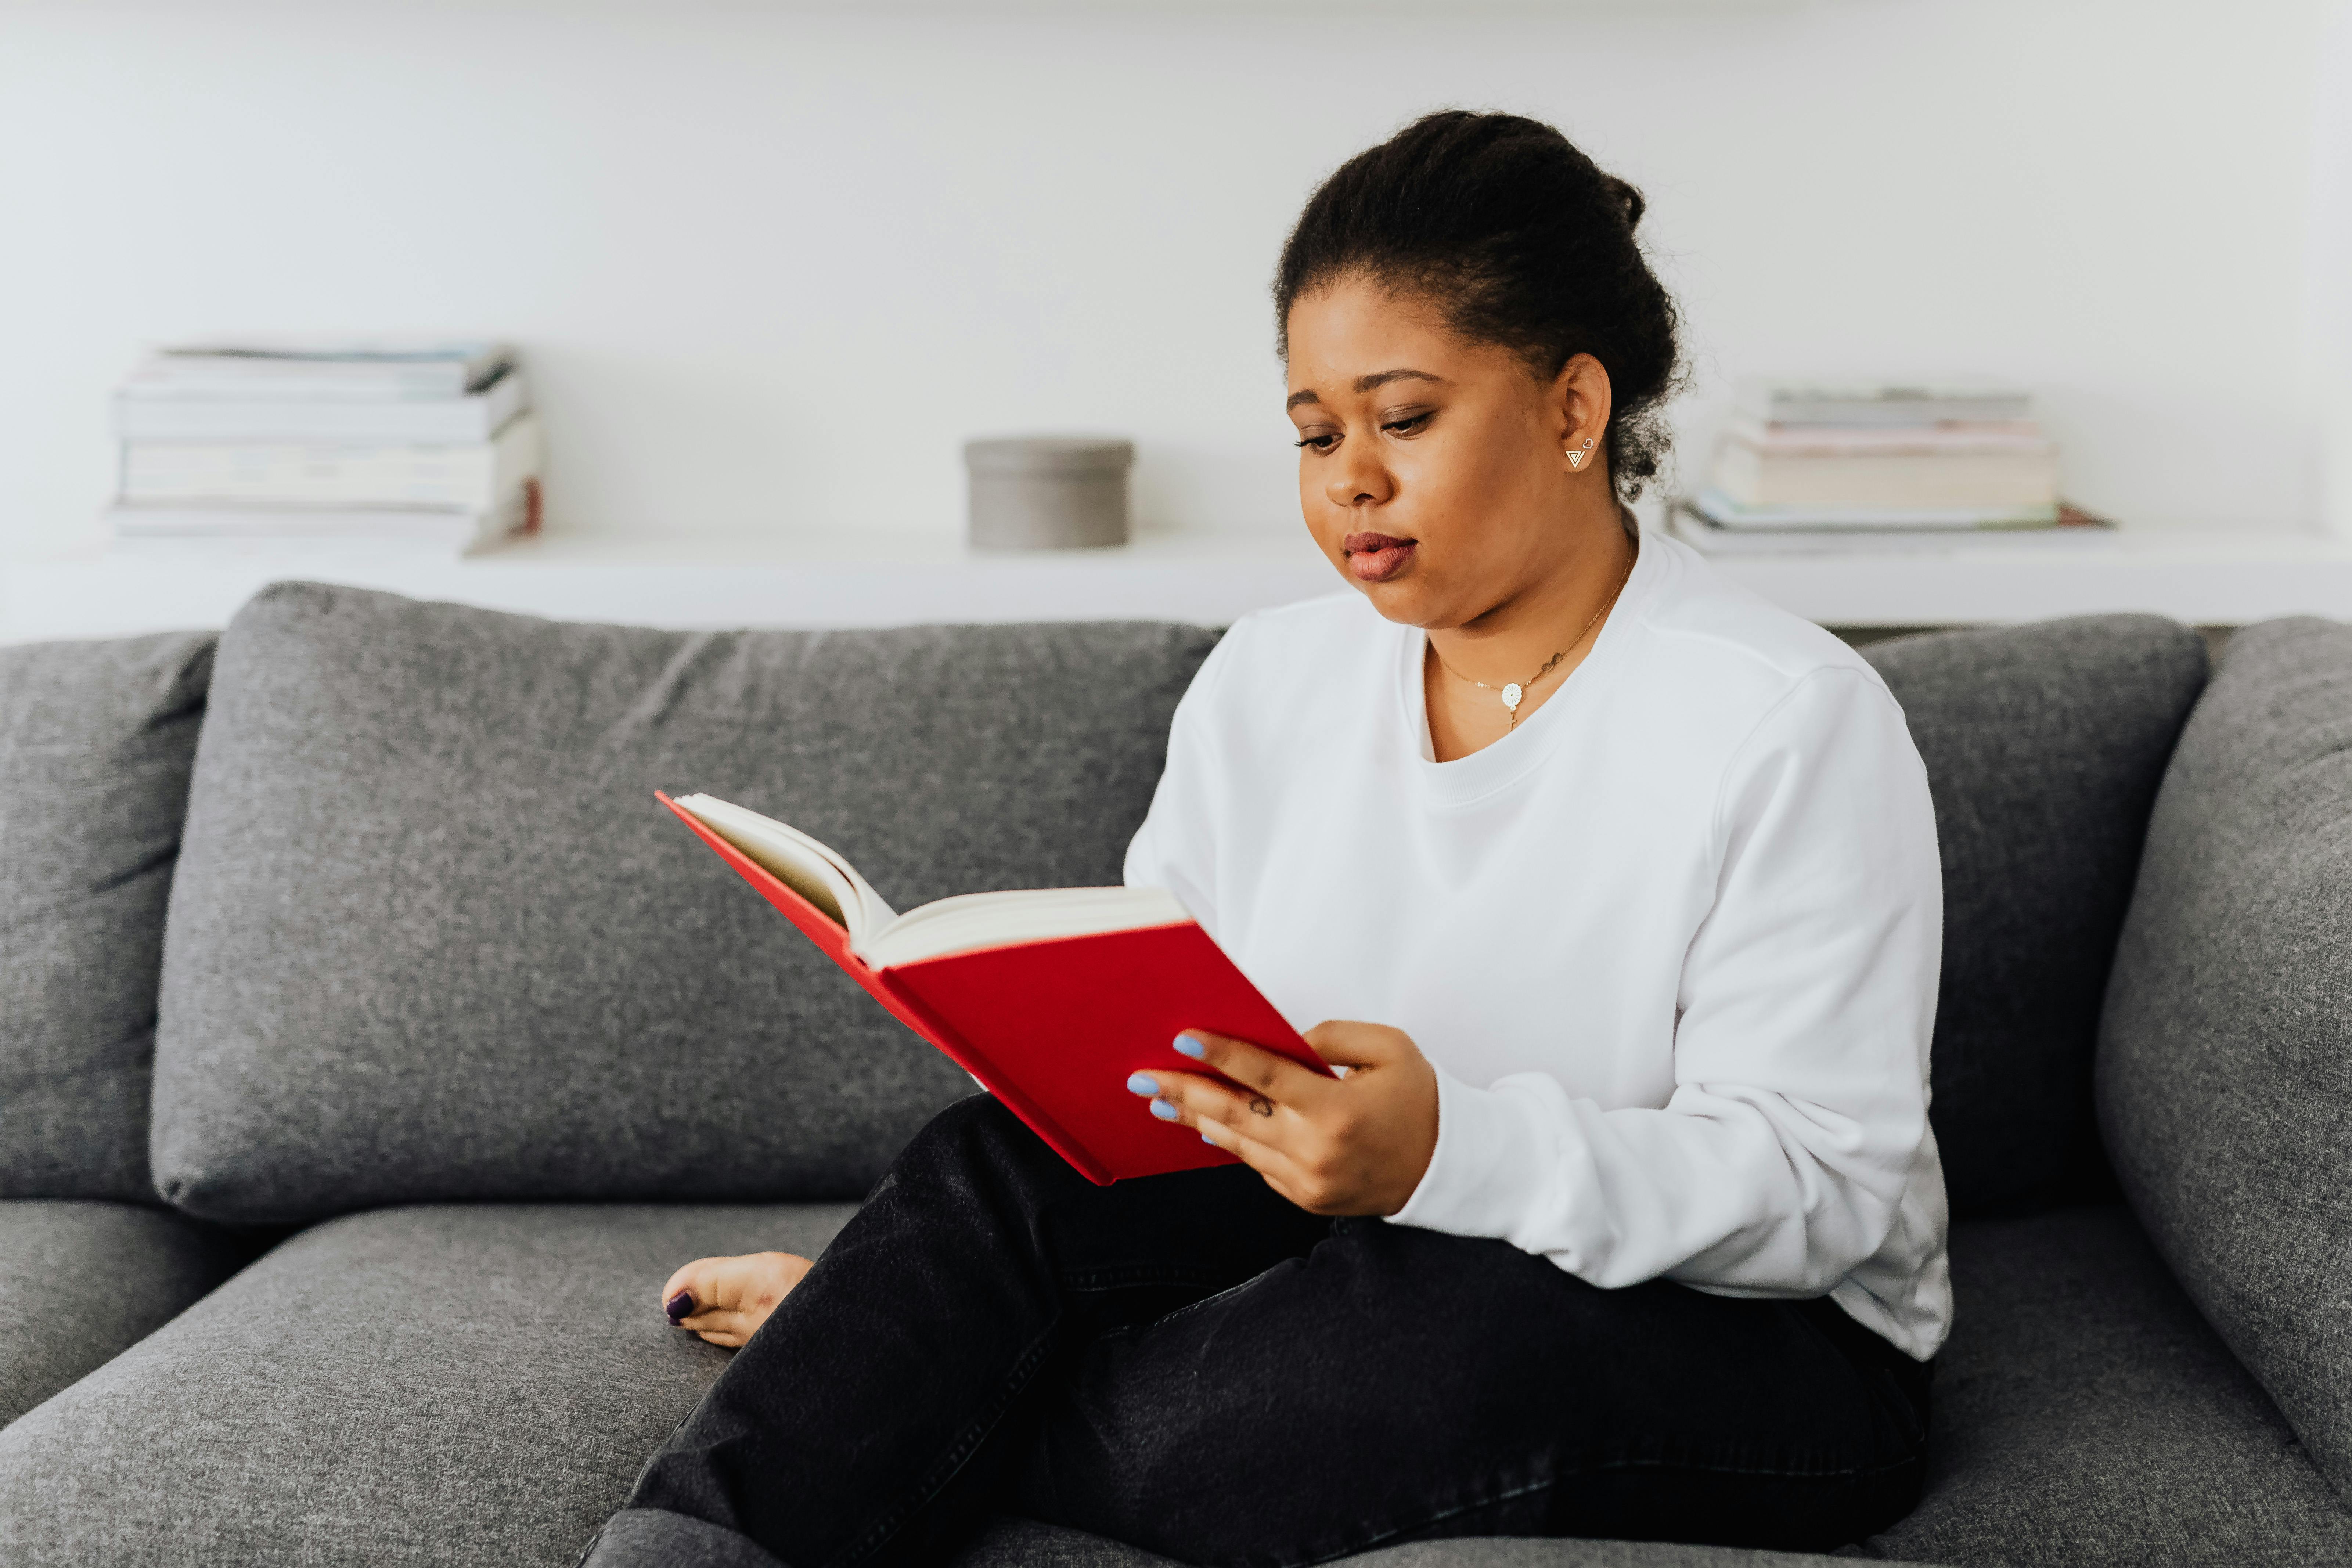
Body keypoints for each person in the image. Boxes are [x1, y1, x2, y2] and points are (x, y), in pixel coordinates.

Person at [585, 109, 1948, 1568]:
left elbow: (1817, 1194)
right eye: (1313, 433)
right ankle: (745, 1501)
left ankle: (881, 1380)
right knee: (993, 1165)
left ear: (1570, 409)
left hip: (1749, 1331)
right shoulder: (1271, 675)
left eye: (1402, 420)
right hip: (1343, 1237)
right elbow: (1165, 1038)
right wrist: (1066, 1060)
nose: (1347, 478)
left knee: (1408, 1351)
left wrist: (1446, 1152)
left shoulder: (1785, 717)